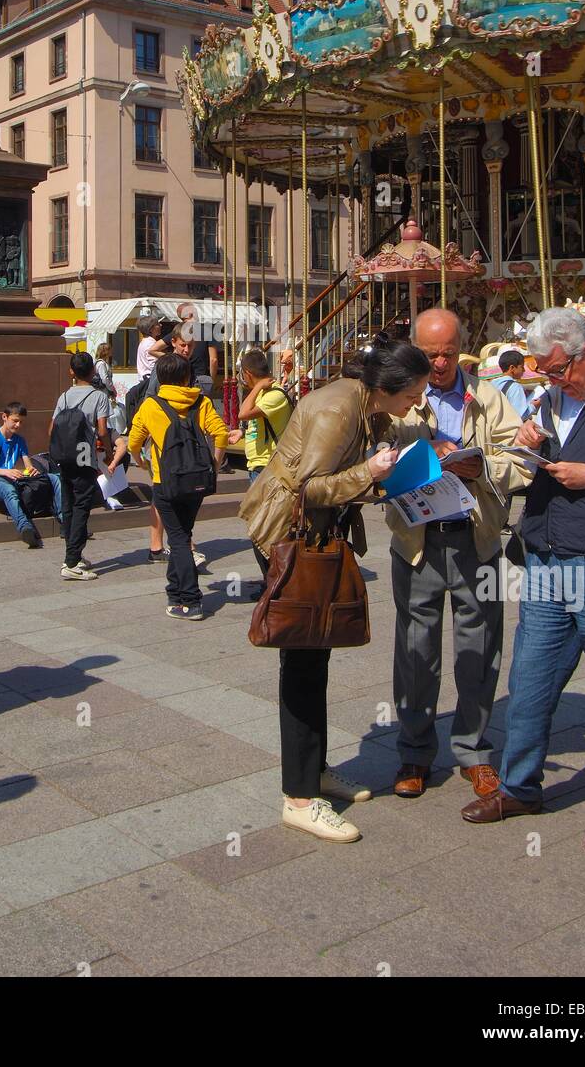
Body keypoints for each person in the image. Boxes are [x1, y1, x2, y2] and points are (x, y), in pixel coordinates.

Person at [461, 306, 585, 854]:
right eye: (543, 371)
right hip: (549, 558)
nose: (550, 380)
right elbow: (532, 463)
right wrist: (528, 444)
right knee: (529, 682)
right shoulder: (547, 397)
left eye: (557, 370)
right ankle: (520, 786)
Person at [240, 339, 431, 843]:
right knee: (302, 659)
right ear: (387, 386)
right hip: (287, 534)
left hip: (313, 533)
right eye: (412, 395)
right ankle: (299, 798)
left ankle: (316, 769)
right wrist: (370, 473)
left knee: (315, 653)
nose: (416, 403)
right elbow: (312, 486)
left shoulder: (364, 402)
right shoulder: (339, 408)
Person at [387, 308, 532, 801]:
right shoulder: (398, 401)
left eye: (449, 351)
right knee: (415, 650)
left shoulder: (488, 396)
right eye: (431, 354)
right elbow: (374, 458)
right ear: (415, 350)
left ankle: (473, 749)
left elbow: (522, 460)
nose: (442, 362)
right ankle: (414, 751)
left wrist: (481, 468)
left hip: (477, 539)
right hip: (416, 542)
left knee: (480, 648)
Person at [128, 353, 228, 619]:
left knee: (179, 539)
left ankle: (191, 600)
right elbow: (221, 434)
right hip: (197, 482)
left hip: (166, 482)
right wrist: (214, 465)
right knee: (183, 532)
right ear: (187, 377)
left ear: (160, 378)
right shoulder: (202, 401)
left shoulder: (151, 405)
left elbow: (133, 443)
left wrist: (142, 464)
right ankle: (174, 590)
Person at [49, 353, 113, 580]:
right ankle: (71, 562)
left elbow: (52, 429)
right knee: (82, 505)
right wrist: (109, 452)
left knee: (68, 504)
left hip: (63, 457)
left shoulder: (64, 397)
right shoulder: (99, 397)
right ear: (94, 372)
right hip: (85, 456)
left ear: (71, 372)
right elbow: (103, 431)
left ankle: (72, 553)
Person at [0, 402, 63, 550]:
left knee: (54, 478)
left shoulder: (20, 440)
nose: (18, 425)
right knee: (8, 490)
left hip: (13, 479)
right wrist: (6, 471)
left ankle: (65, 520)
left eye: (21, 422)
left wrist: (31, 471)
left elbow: (27, 464)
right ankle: (25, 528)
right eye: (15, 421)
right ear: (4, 417)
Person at [227, 348, 293, 483]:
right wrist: (243, 432)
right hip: (257, 464)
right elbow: (258, 420)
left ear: (248, 374)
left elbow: (243, 414)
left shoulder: (275, 395)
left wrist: (257, 387)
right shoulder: (262, 392)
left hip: (268, 465)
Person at [495, 347, 532, 421]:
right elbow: (519, 416)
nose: (524, 370)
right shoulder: (515, 387)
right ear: (512, 368)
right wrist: (533, 406)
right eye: (522, 367)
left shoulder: (492, 384)